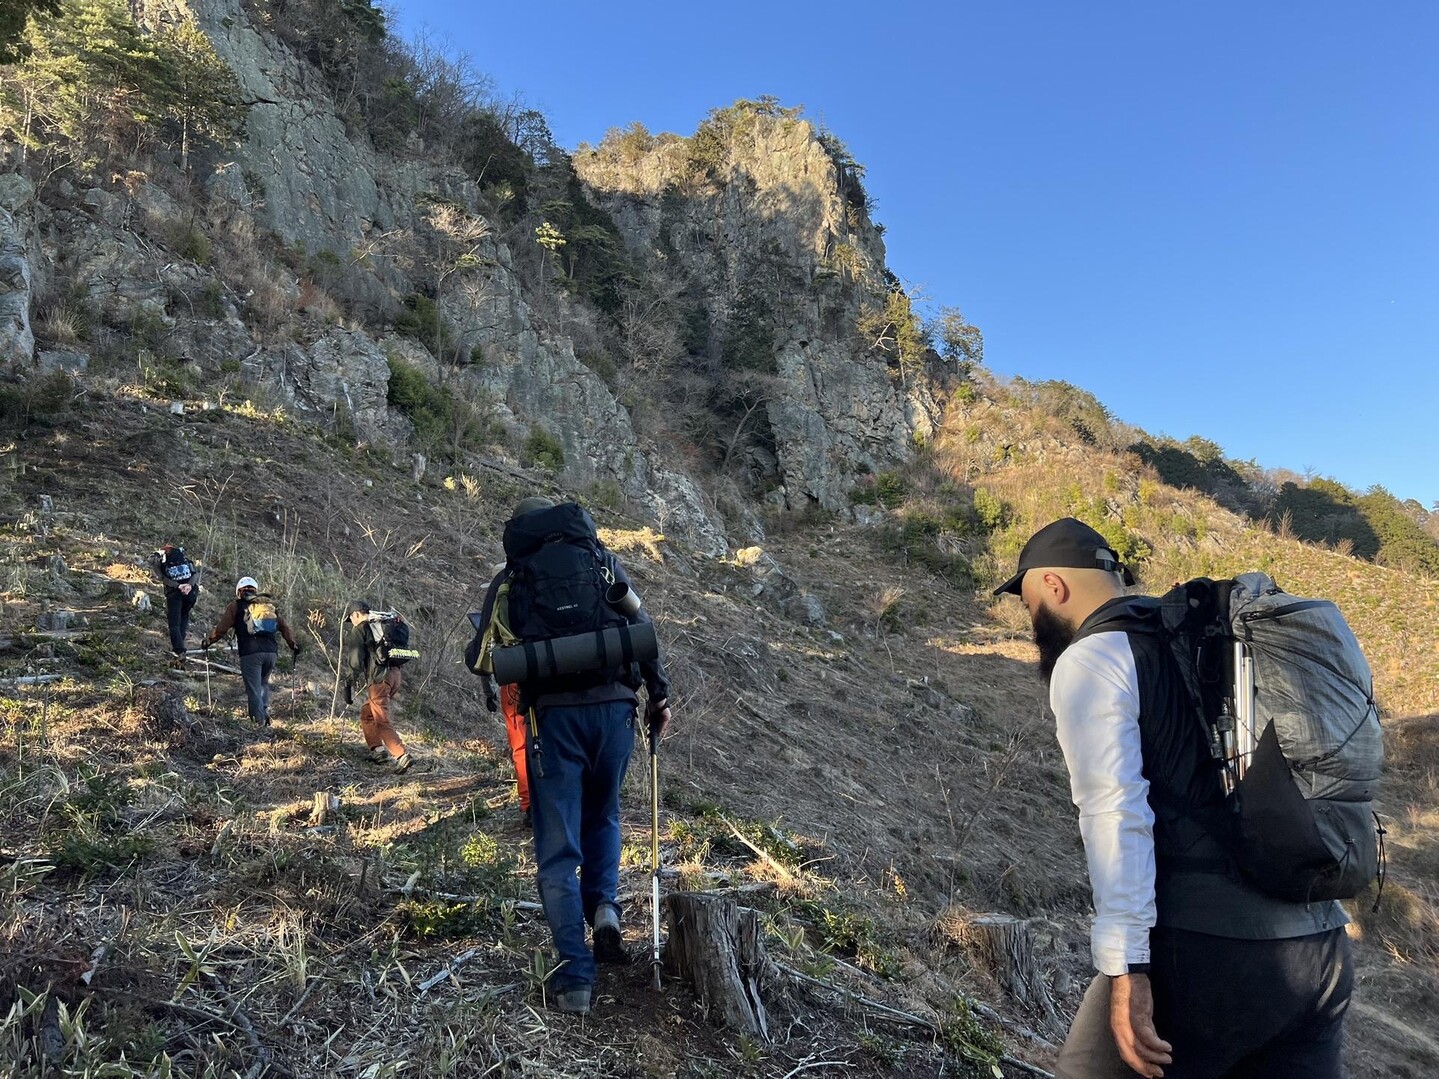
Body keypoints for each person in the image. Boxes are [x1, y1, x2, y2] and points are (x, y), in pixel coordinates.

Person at [993, 518, 1353, 1079]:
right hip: (1321, 948)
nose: (1030, 617)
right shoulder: (1206, 645)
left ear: (1053, 587)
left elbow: (1115, 813)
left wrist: (1128, 968)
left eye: (1029, 600)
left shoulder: (1092, 660)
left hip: (1208, 955)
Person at [467, 496, 672, 1017]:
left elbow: (478, 659)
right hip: (617, 712)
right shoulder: (600, 560)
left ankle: (576, 978)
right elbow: (642, 629)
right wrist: (660, 696)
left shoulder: (516, 575)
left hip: (554, 721)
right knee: (603, 816)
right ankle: (605, 909)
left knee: (557, 849)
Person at [473, 562, 532, 824]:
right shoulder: (543, 591)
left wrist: (488, 692)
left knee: (520, 743)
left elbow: (482, 653)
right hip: (550, 674)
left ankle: (530, 804)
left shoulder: (500, 602)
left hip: (513, 679)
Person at [204, 576, 300, 727]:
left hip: (250, 654)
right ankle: (264, 713)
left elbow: (222, 629)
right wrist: (293, 645)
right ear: (255, 589)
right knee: (263, 684)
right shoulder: (268, 606)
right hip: (271, 653)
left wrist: (209, 641)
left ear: (239, 591)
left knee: (254, 689)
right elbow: (284, 627)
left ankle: (258, 724)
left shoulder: (236, 606)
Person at [341, 601, 415, 774]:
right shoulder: (383, 624)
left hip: (379, 678)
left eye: (351, 619)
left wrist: (348, 683)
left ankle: (401, 755)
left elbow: (355, 660)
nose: (352, 622)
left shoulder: (360, 628)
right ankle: (378, 751)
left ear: (356, 615)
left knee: (380, 718)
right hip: (395, 675)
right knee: (367, 714)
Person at [148, 544, 201, 663]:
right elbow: (195, 574)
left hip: (174, 594)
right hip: (191, 593)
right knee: (184, 616)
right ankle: (180, 644)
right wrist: (188, 585)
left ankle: (179, 650)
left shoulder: (162, 561)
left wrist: (178, 586)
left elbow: (161, 577)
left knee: (174, 623)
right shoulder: (185, 559)